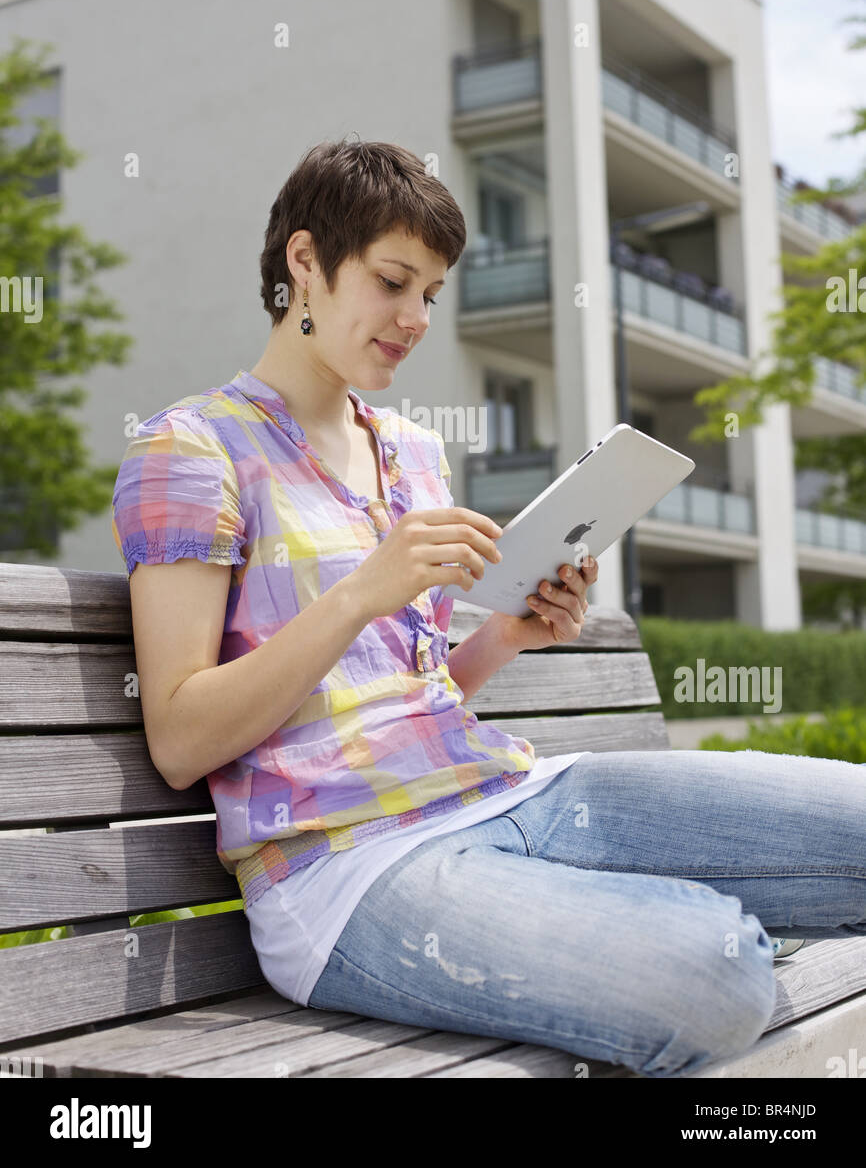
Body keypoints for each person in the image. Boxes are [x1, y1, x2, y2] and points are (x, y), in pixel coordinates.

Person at [111, 138, 866, 1079]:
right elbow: (183, 736)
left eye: (431, 292)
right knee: (718, 974)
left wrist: (508, 634)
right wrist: (361, 593)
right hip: (347, 872)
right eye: (394, 282)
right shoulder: (192, 452)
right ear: (304, 262)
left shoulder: (413, 453)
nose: (416, 316)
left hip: (505, 792)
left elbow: (408, 691)